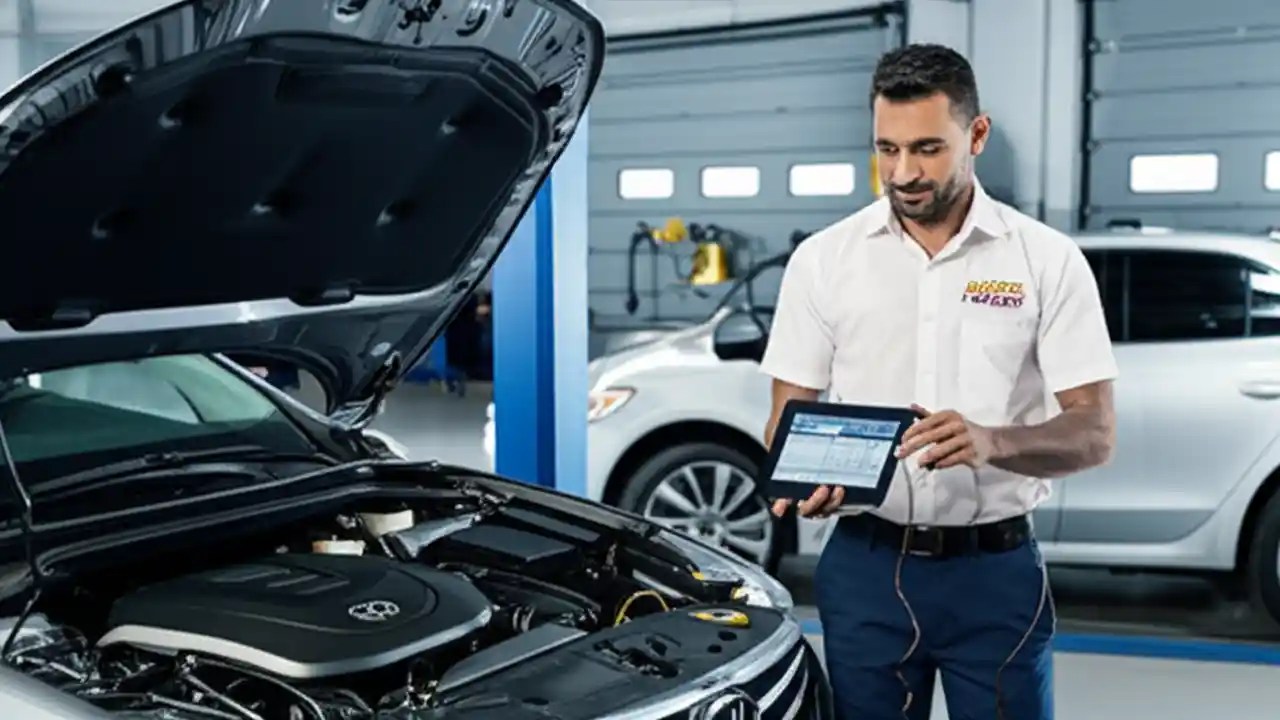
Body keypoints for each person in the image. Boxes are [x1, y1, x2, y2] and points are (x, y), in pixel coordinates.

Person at [760, 44, 1117, 720]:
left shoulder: (1045, 261)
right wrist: (806, 480)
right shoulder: (823, 261)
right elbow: (786, 418)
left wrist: (990, 440)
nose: (903, 173)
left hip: (996, 574)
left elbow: (1095, 434)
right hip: (865, 571)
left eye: (927, 148)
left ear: (976, 134)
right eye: (886, 149)